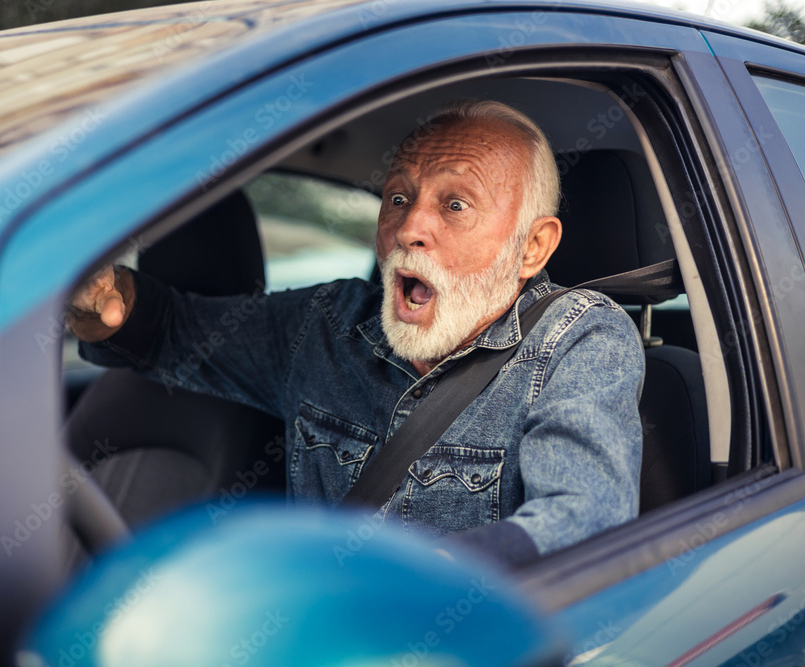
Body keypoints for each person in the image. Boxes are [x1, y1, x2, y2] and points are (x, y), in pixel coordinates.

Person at [67, 99, 644, 566]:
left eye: (456, 205)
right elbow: (172, 329)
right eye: (398, 197)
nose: (409, 227)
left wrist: (401, 585)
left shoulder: (580, 339)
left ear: (533, 247)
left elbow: (583, 520)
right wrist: (107, 300)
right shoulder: (327, 325)